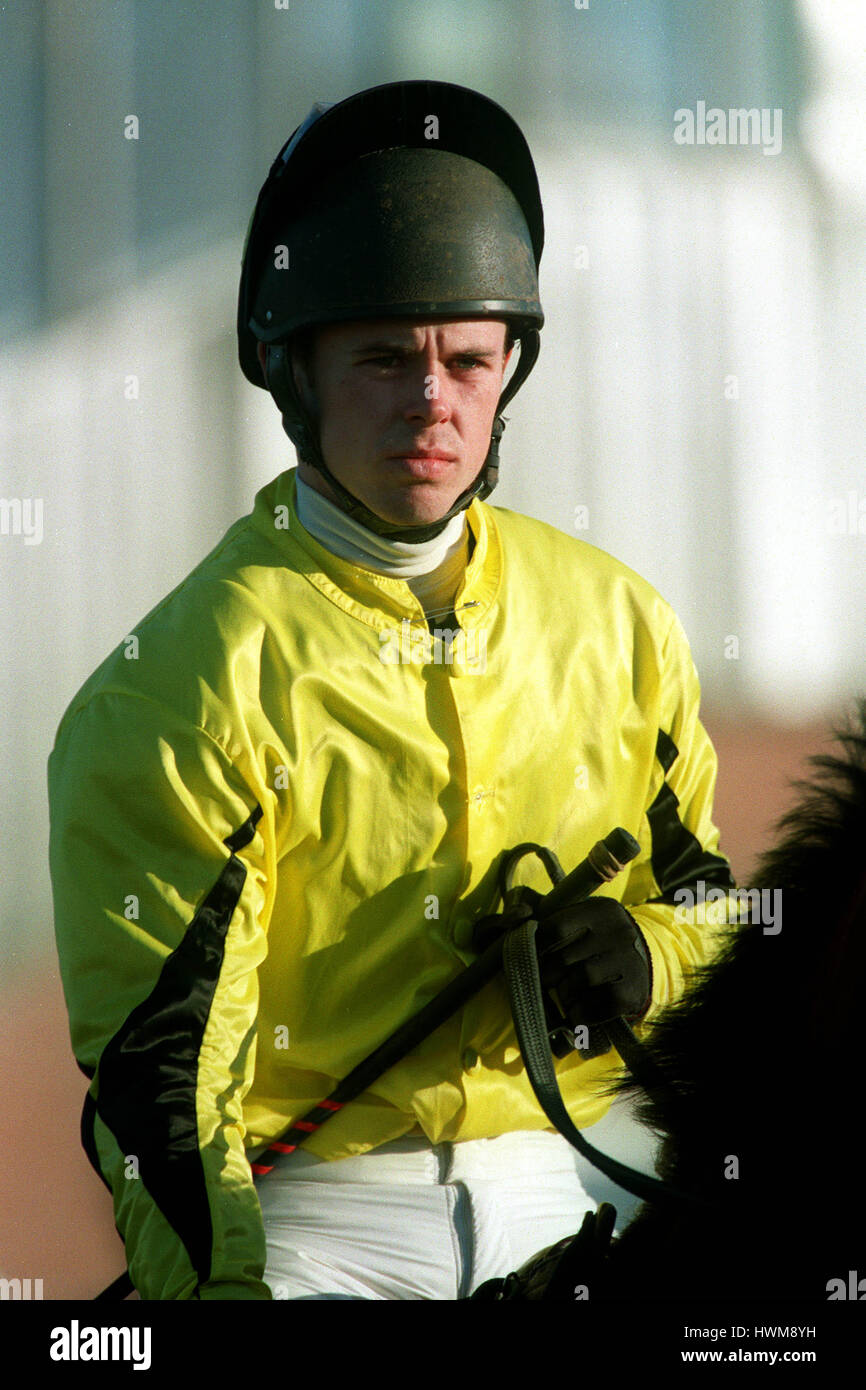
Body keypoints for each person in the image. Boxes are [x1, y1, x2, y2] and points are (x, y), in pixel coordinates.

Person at [47, 80, 735, 1301]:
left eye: (468, 359)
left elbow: (723, 922)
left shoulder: (623, 622)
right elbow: (165, 1084)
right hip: (317, 1227)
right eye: (382, 358)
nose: (432, 400)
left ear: (510, 366)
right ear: (290, 369)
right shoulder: (176, 692)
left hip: (576, 1187)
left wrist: (643, 953)